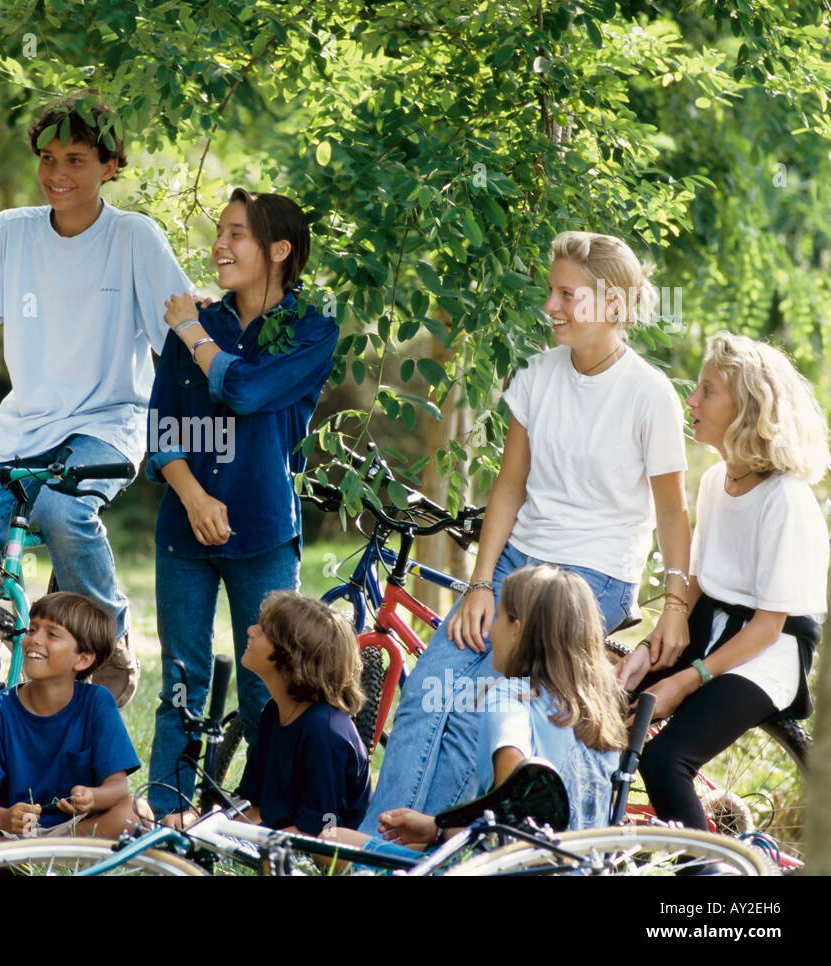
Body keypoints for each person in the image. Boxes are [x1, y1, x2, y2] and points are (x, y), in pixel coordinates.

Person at [366, 230, 690, 824]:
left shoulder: (650, 395)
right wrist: (480, 583)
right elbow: (509, 488)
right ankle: (374, 859)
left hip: (591, 580)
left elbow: (672, 510)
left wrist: (675, 601)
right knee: (424, 697)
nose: (551, 307)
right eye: (551, 292)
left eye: (568, 295)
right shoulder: (537, 376)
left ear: (612, 304)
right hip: (517, 565)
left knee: (478, 706)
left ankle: (438, 854)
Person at [0, 94, 192, 711]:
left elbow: (179, 339)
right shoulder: (11, 233)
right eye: (47, 158)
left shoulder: (134, 239)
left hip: (110, 421)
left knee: (62, 509)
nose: (57, 174)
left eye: (75, 159)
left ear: (110, 165)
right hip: (23, 428)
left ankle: (111, 640)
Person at [143, 189, 338, 821]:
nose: (219, 245)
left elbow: (248, 391)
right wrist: (193, 495)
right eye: (218, 232)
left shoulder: (312, 329)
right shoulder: (196, 323)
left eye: (237, 234)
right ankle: (169, 823)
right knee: (180, 681)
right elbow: (161, 429)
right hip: (183, 533)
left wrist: (191, 329)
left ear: (279, 251)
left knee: (269, 685)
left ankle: (268, 821)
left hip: (263, 532)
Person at [619, 333, 829, 830]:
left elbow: (766, 627)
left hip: (764, 654)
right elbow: (694, 584)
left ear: (746, 406)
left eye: (707, 390)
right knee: (600, 709)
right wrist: (650, 650)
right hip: (709, 630)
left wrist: (683, 682)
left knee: (666, 760)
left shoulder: (786, 500)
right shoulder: (717, 480)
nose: (691, 400)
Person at [333, 565, 625, 854]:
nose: (490, 629)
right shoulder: (598, 709)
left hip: (508, 866)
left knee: (331, 838)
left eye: (499, 617)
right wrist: (436, 829)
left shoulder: (510, 699)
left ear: (516, 630)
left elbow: (514, 823)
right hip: (584, 866)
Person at [0, 592, 144, 851]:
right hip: (9, 836)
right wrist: (3, 817)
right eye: (32, 629)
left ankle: (27, 864)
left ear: (83, 659)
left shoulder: (97, 702)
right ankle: (45, 862)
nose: (34, 640)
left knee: (135, 812)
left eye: (52, 634)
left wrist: (93, 798)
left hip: (75, 832)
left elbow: (118, 787)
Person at [231, 593, 371, 835]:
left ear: (291, 655)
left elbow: (315, 835)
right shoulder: (273, 712)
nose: (251, 630)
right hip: (279, 836)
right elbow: (250, 807)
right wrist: (203, 824)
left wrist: (238, 839)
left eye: (264, 630)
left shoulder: (324, 733)